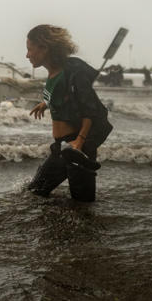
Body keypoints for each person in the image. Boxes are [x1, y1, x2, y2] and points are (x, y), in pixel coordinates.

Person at [26, 24, 113, 202]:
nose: (27, 55)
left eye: (29, 49)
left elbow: (90, 110)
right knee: (35, 192)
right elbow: (63, 95)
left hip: (77, 148)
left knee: (83, 204)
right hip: (61, 148)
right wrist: (45, 103)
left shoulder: (74, 72)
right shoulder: (53, 73)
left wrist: (79, 142)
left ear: (44, 48)